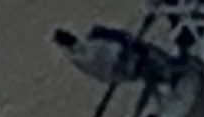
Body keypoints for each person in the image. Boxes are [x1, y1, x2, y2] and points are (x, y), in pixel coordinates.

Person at [52, 24, 186, 89]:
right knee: (142, 51)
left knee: (141, 58)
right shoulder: (80, 54)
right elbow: (106, 54)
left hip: (120, 69)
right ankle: (170, 69)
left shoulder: (78, 55)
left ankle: (166, 74)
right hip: (123, 62)